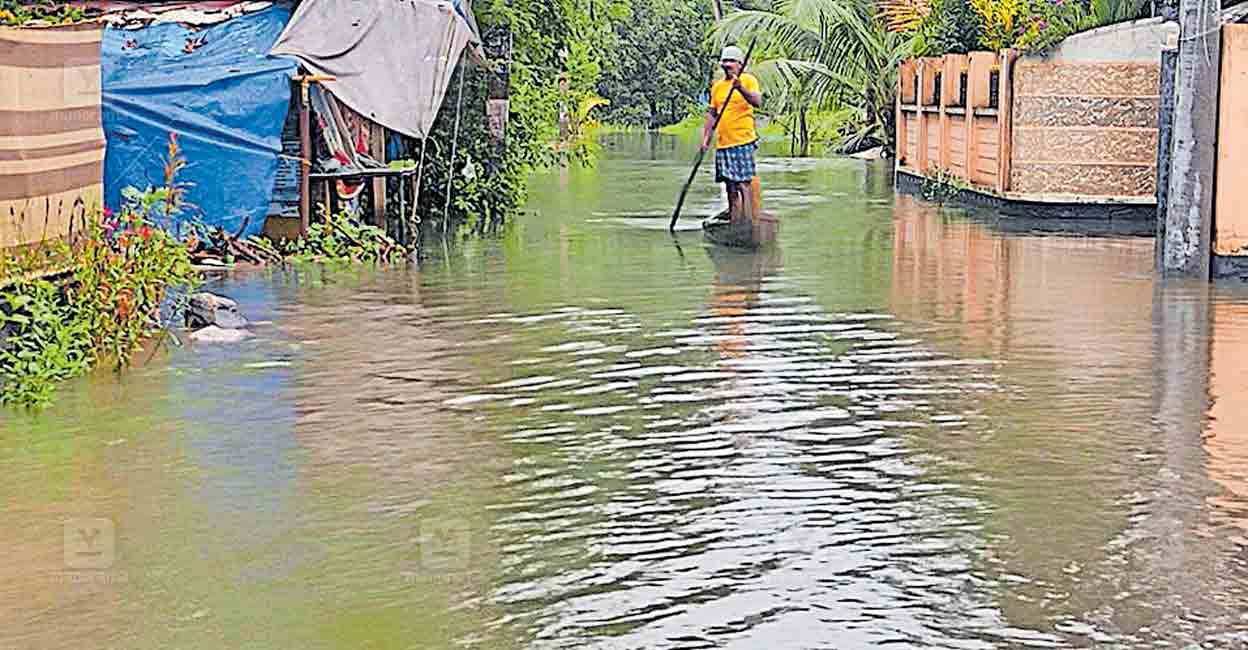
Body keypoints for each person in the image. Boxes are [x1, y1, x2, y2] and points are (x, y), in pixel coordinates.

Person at [701, 45, 763, 223]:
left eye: (731, 62)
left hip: (743, 140)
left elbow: (757, 102)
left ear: (740, 64)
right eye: (724, 61)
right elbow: (712, 114)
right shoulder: (718, 87)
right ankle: (735, 223)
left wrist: (740, 88)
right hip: (723, 143)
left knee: (745, 183)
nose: (727, 65)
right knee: (730, 187)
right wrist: (706, 139)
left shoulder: (748, 80)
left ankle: (750, 221)